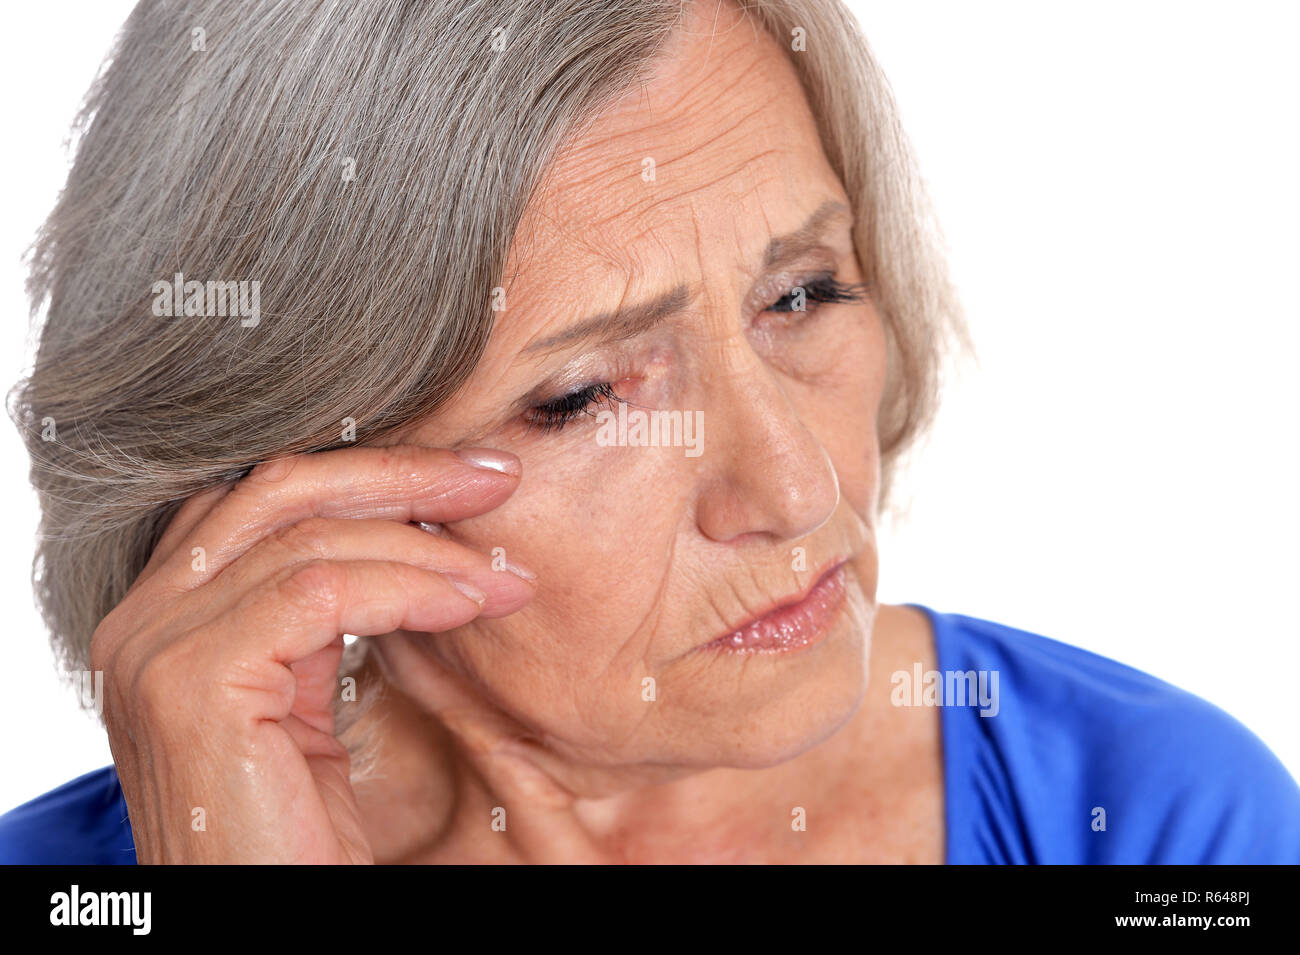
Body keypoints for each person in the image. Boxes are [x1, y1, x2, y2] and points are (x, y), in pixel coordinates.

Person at [3, 0, 1297, 864]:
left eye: (802, 294)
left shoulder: (1154, 814)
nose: (796, 492)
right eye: (580, 398)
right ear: (284, 482)